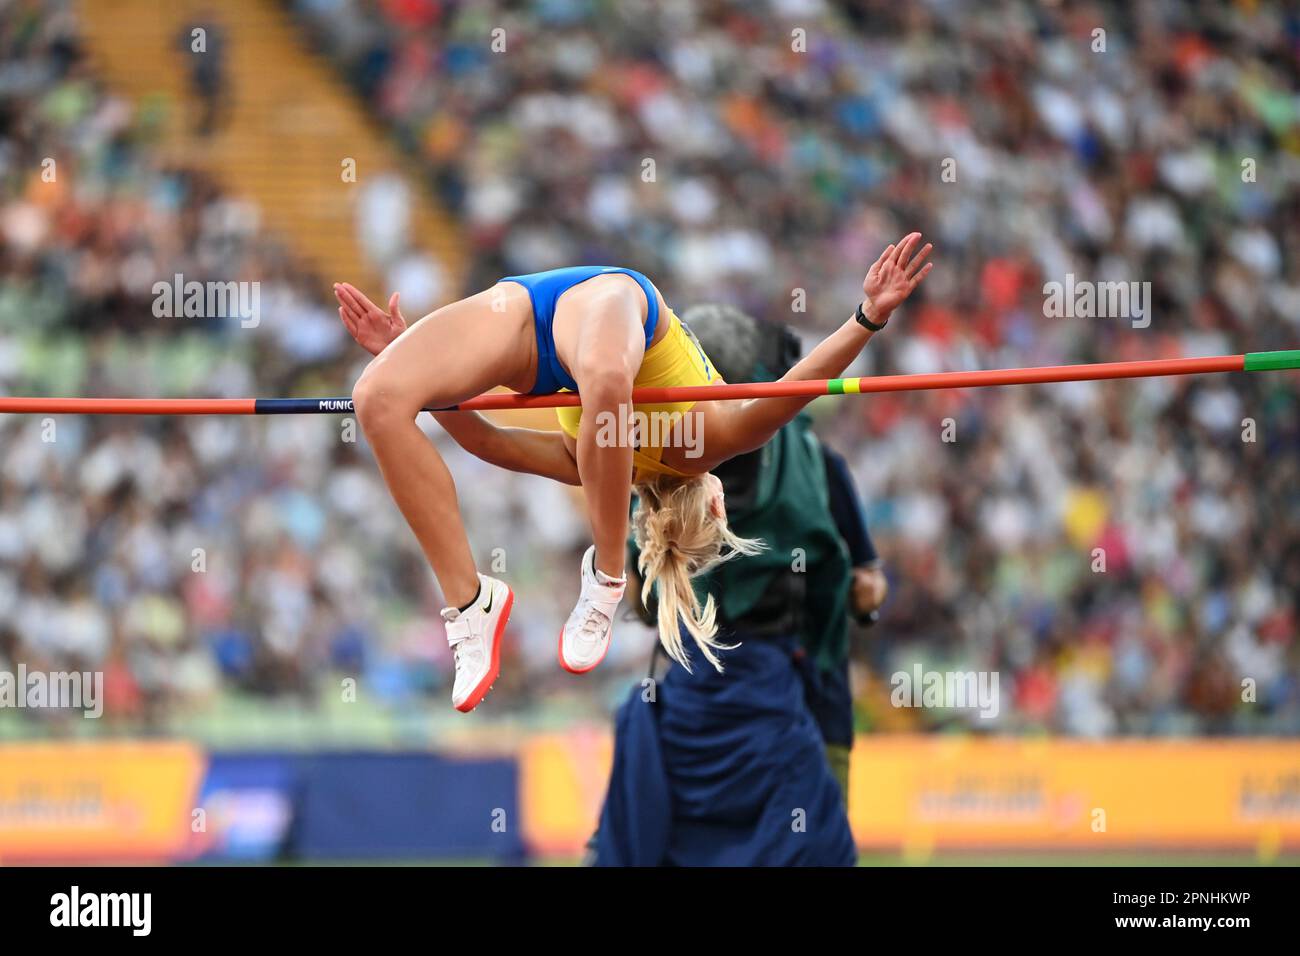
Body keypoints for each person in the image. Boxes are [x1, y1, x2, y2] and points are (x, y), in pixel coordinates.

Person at [334, 234, 933, 711]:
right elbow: (796, 388)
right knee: (605, 383)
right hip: (613, 309)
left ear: (716, 504)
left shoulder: (592, 466)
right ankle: (605, 572)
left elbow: (486, 439)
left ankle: (471, 604)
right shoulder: (712, 438)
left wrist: (415, 364)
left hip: (530, 327)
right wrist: (866, 319)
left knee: (380, 399)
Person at [587, 306, 885, 865]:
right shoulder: (818, 466)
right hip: (781, 696)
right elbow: (867, 586)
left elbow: (641, 601)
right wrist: (851, 600)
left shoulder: (652, 466)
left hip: (689, 702)